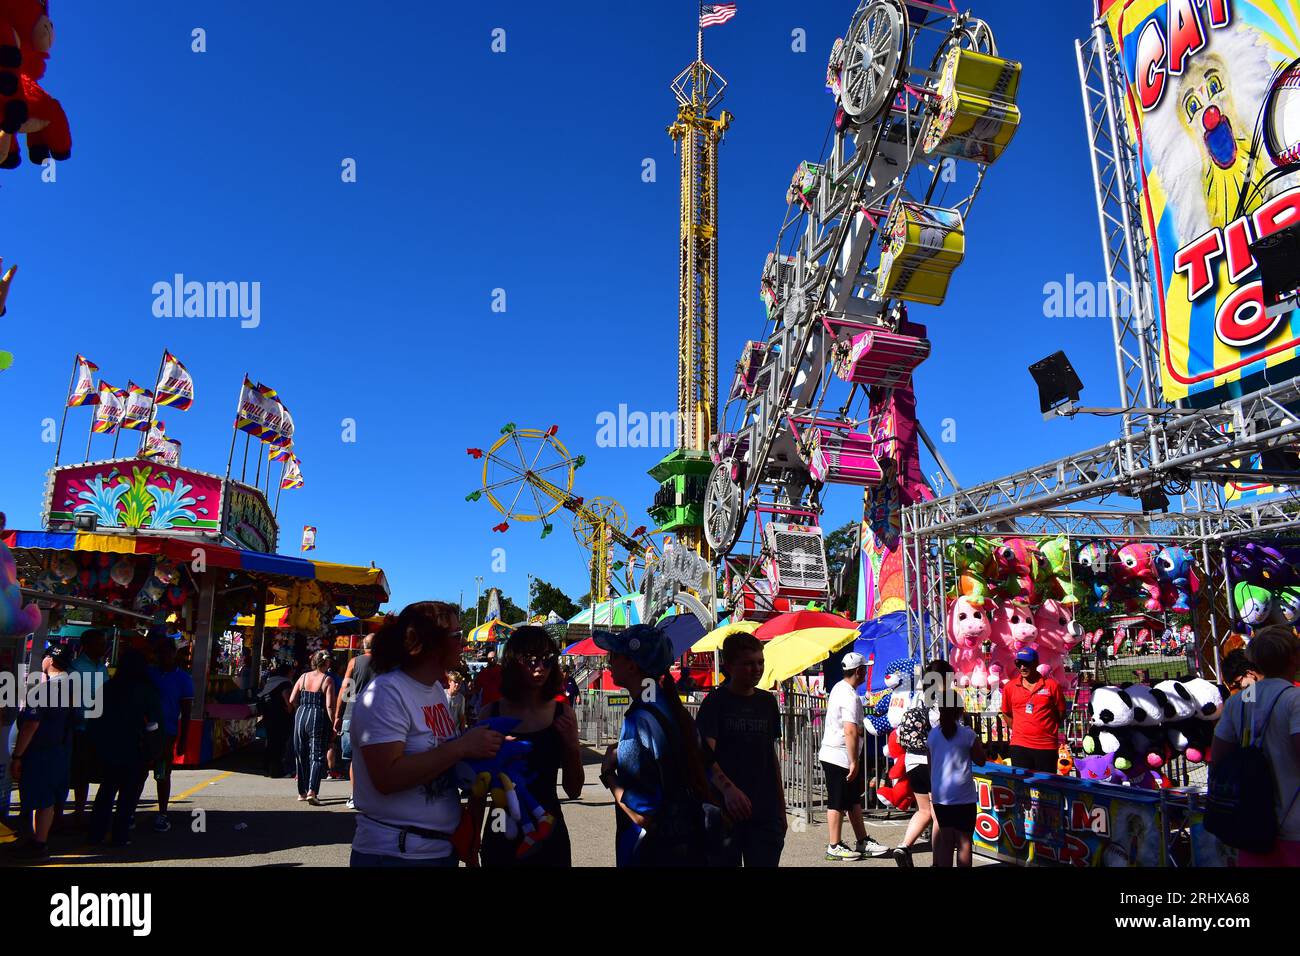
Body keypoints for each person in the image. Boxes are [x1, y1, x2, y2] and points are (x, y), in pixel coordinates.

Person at [350, 601, 504, 867]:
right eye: (456, 635)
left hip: (438, 849)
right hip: (396, 855)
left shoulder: (433, 689)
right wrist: (462, 747)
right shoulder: (386, 693)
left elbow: (439, 758)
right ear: (431, 643)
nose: (463, 642)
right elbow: (386, 777)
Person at [596, 624, 715, 867]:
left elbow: (642, 814)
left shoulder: (639, 720)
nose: (609, 662)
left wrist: (608, 773)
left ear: (632, 664)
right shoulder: (673, 709)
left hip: (652, 851)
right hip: (687, 844)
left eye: (614, 655)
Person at [478, 627, 584, 867]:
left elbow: (574, 790)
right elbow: (477, 788)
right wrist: (472, 835)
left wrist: (571, 746)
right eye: (531, 660)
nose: (540, 668)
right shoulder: (491, 713)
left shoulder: (562, 714)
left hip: (548, 831)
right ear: (513, 663)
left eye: (547, 660)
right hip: (501, 831)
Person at [695, 631, 787, 867]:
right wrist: (728, 790)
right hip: (726, 813)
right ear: (729, 666)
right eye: (748, 663)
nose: (756, 669)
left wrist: (781, 808)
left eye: (760, 662)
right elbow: (704, 757)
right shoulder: (715, 703)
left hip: (765, 812)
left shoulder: (767, 702)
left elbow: (771, 756)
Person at [1211, 626, 1300, 867]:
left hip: (1250, 822)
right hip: (1293, 824)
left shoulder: (1237, 702)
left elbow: (1218, 757)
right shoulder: (1295, 699)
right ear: (1293, 657)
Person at [86, 648, 163, 849]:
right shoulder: (148, 690)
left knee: (106, 791)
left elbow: (94, 719)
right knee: (128, 796)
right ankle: (120, 835)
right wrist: (155, 750)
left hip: (108, 748)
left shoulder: (108, 687)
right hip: (135, 748)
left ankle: (96, 833)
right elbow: (153, 724)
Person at [818, 651, 887, 861]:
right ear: (859, 671)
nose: (866, 672)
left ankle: (862, 839)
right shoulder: (850, 696)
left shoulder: (839, 687)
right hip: (839, 755)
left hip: (835, 753)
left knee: (851, 801)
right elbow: (849, 729)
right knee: (837, 802)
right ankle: (834, 845)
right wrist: (854, 760)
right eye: (865, 668)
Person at [9, 644, 76, 860]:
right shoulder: (72, 689)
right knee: (47, 800)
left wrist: (17, 756)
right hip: (60, 751)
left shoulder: (42, 691)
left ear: (50, 661)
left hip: (40, 752)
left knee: (36, 797)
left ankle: (35, 842)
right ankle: (39, 841)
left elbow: (30, 726)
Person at [891, 658, 952, 868]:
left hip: (911, 760)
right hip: (932, 760)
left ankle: (904, 846)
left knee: (924, 810)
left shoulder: (916, 694)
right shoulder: (944, 699)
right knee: (938, 814)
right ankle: (938, 862)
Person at [928, 687, 986, 868]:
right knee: (964, 842)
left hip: (940, 795)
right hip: (963, 796)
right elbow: (981, 760)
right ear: (960, 710)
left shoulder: (932, 734)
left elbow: (931, 765)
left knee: (946, 842)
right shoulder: (967, 734)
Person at [147, 638, 194, 832]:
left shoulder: (184, 679)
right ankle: (130, 812)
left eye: (167, 652)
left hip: (167, 735)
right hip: (144, 733)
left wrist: (183, 740)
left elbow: (187, 713)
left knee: (162, 774)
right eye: (160, 653)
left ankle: (162, 813)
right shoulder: (148, 674)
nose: (163, 656)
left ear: (174, 654)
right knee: (138, 773)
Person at [999, 647, 1066, 773]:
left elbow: (1061, 713)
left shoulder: (1052, 685)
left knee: (1046, 788)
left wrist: (1045, 728)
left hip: (1046, 746)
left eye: (1026, 663)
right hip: (1019, 745)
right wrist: (1020, 729)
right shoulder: (1010, 687)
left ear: (1036, 663)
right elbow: (1006, 713)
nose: (1022, 667)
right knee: (1022, 787)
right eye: (1019, 663)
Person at [67, 629, 109, 825]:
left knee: (92, 771)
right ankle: (75, 813)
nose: (104, 647)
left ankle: (81, 811)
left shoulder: (102, 668)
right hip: (79, 729)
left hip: (98, 728)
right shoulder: (75, 668)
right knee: (78, 773)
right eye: (100, 643)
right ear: (88, 645)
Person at [290, 650, 337, 805]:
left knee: (300, 753)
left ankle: (301, 792)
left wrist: (302, 707)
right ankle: (312, 791)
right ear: (326, 663)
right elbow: (330, 705)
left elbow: (292, 699)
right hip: (317, 716)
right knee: (316, 755)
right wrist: (334, 722)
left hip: (301, 715)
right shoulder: (327, 680)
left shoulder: (303, 677)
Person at [335, 635, 375, 808]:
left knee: (355, 759)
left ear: (363, 646)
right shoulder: (386, 665)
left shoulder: (354, 662)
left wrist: (337, 714)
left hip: (352, 714)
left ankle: (355, 795)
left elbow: (345, 690)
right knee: (373, 759)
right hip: (376, 717)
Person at [259, 663, 294, 778]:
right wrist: (290, 707)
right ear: (288, 672)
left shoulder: (271, 681)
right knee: (279, 743)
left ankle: (265, 766)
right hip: (280, 716)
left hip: (268, 715)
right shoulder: (285, 682)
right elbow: (286, 695)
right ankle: (276, 770)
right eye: (291, 671)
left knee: (271, 741)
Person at [473, 650, 503, 717]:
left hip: (498, 703)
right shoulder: (483, 672)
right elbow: (477, 687)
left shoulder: (502, 670)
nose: (492, 660)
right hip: (487, 704)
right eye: (490, 658)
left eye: (493, 658)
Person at [445, 668, 469, 733]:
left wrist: (463, 732)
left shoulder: (461, 698)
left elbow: (462, 717)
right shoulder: (442, 694)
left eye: (459, 683)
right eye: (455, 682)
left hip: (454, 732)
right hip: (442, 732)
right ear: (449, 682)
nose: (457, 685)